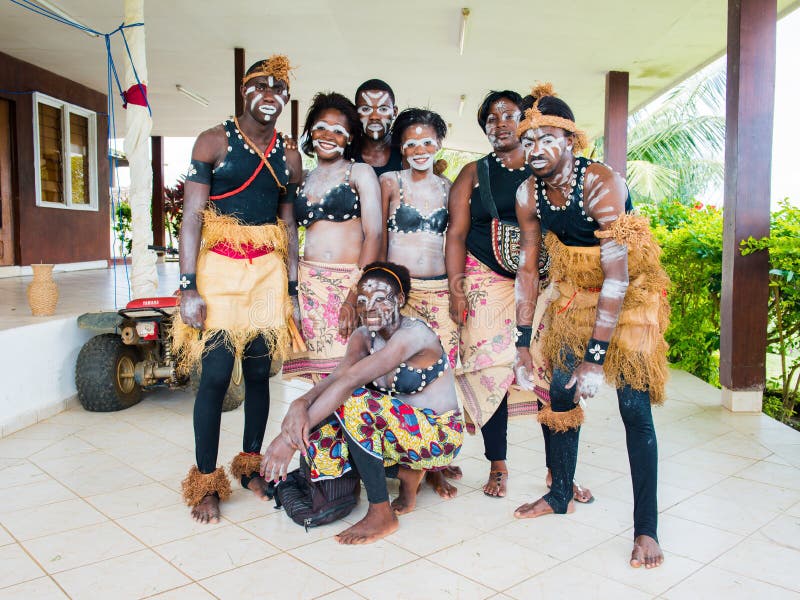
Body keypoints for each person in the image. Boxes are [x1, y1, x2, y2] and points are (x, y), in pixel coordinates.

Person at [513, 84, 669, 569]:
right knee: (560, 392)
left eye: (546, 139)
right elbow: (527, 266)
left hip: (631, 294)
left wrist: (595, 361)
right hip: (580, 291)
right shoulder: (527, 192)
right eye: (528, 140)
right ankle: (559, 493)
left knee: (633, 409)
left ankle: (647, 530)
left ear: (572, 141)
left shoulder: (601, 182)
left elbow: (618, 280)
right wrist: (522, 343)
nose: (535, 150)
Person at [173, 55, 302, 523]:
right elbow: (191, 217)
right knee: (213, 376)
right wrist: (188, 287)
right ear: (244, 92)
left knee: (259, 373)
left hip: (266, 271)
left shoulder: (289, 155)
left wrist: (291, 287)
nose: (270, 95)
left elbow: (287, 224)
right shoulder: (213, 141)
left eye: (279, 89)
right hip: (220, 271)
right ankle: (206, 482)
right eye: (260, 87)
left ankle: (251, 466)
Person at [261, 262, 464, 544]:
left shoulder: (413, 334)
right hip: (400, 436)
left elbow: (350, 382)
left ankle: (381, 512)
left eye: (381, 299)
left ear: (401, 300)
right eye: (363, 299)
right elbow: (337, 377)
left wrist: (287, 441)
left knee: (355, 401)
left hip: (438, 436)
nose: (370, 306)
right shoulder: (362, 336)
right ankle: (406, 473)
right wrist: (300, 402)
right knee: (321, 437)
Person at [445, 91, 533, 498]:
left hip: (538, 284)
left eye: (509, 115)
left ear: (524, 120)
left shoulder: (543, 165)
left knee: (546, 371)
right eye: (491, 118)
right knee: (489, 369)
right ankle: (498, 464)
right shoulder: (473, 172)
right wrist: (457, 289)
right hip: (483, 279)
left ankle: (557, 469)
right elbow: (457, 234)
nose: (500, 123)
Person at [380, 108, 461, 499]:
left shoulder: (448, 188)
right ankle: (403, 465)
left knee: (439, 383)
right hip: (400, 295)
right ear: (401, 147)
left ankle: (435, 466)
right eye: (410, 142)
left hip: (439, 291)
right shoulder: (389, 182)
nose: (419, 149)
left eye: (428, 141)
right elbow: (378, 235)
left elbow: (454, 241)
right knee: (402, 382)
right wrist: (376, 288)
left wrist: (457, 290)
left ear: (439, 144)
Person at [282, 92, 383, 381]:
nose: (328, 135)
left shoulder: (359, 172)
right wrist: (292, 291)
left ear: (350, 138)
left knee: (350, 377)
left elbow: (374, 235)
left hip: (348, 287)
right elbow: (288, 230)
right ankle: (324, 428)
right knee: (320, 379)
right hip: (309, 287)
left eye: (339, 131)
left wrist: (354, 297)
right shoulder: (302, 178)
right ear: (310, 132)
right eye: (321, 127)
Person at [354, 79, 403, 177]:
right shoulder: (346, 152)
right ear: (355, 113)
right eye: (365, 109)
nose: (374, 116)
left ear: (394, 112)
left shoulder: (408, 150)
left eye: (383, 109)